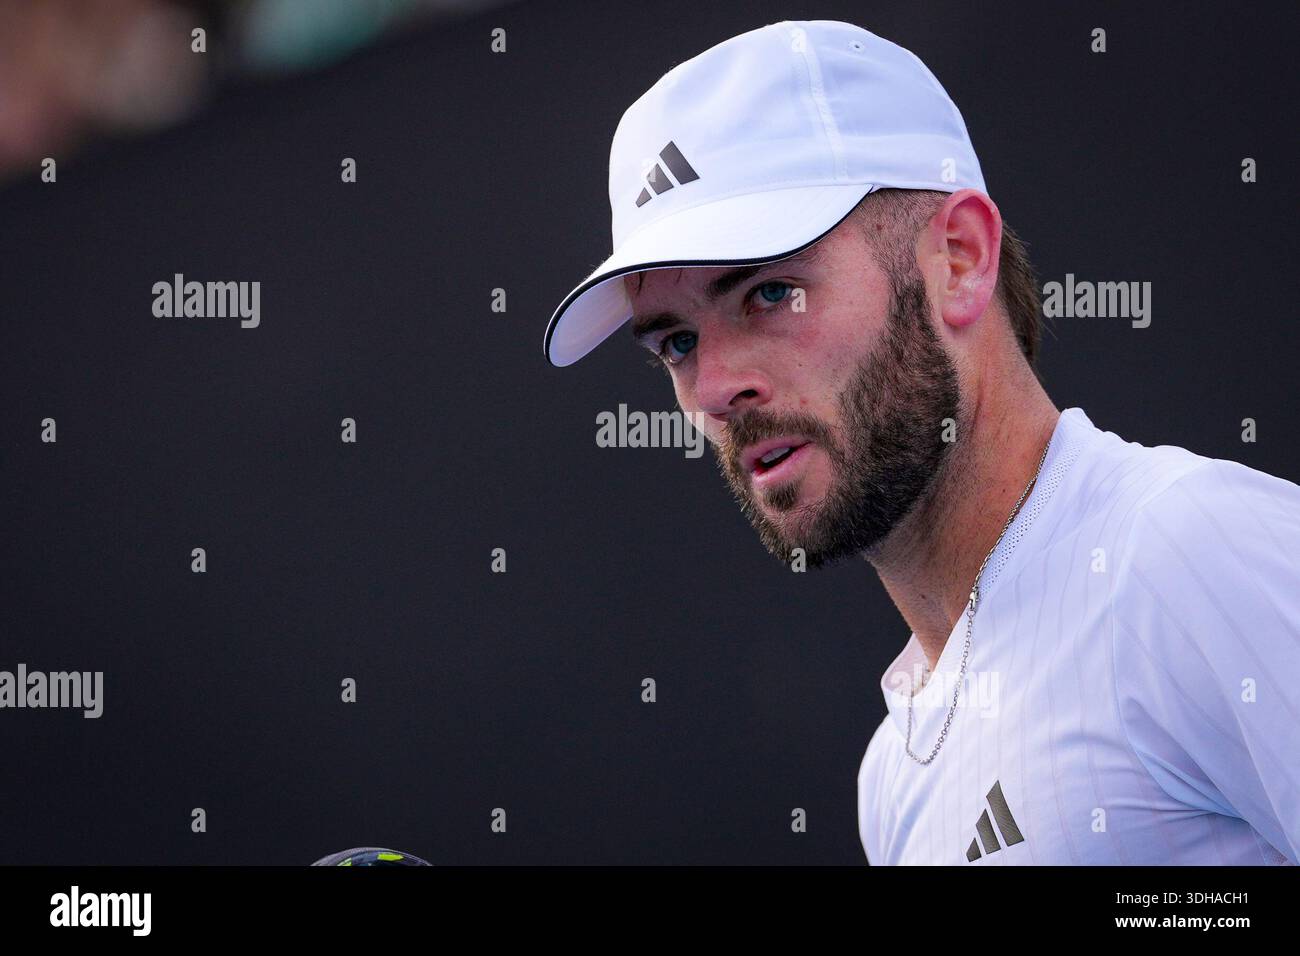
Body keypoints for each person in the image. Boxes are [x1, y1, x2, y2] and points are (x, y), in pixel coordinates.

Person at [543, 20, 1300, 865]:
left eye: (768, 293)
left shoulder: (1192, 554)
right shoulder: (893, 779)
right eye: (676, 343)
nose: (714, 389)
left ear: (961, 259)